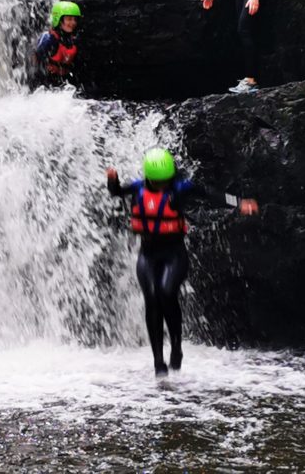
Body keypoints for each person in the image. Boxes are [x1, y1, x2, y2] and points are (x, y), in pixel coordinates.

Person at [106, 148, 259, 377]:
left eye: (164, 181)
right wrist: (112, 179)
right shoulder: (138, 187)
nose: (161, 185)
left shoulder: (180, 188)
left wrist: (239, 202)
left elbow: (212, 195)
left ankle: (176, 348)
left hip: (174, 254)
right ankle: (158, 362)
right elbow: (116, 192)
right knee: (152, 298)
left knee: (167, 293)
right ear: (148, 177)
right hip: (147, 256)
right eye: (157, 182)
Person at [32, 1, 81, 89]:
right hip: (44, 83)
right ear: (59, 20)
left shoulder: (74, 40)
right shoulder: (48, 38)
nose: (73, 23)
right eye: (69, 19)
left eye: (75, 19)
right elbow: (35, 61)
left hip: (63, 82)